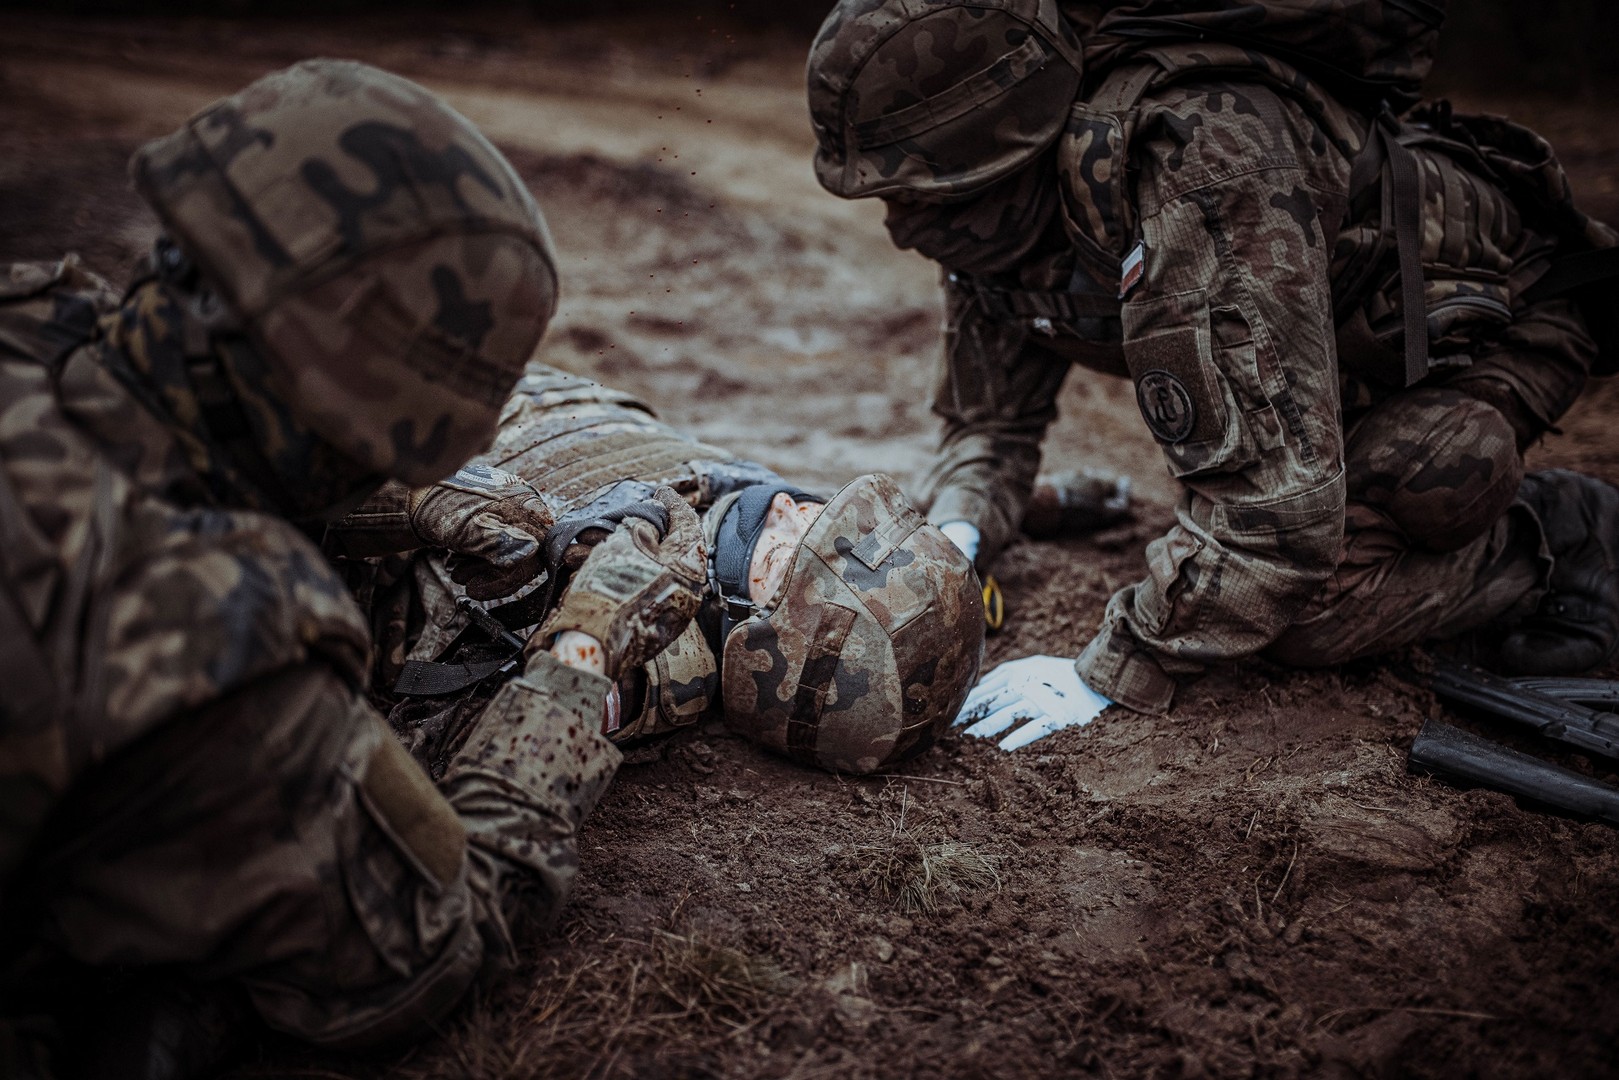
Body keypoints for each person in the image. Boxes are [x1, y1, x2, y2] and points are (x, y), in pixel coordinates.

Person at [0, 60, 707, 1078]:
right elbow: (424, 955)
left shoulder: (30, 321)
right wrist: (580, 656)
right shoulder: (221, 655)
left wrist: (392, 509)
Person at [806, 0, 1619, 747]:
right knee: (1267, 541)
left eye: (924, 201)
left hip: (1494, 333)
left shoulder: (1200, 157)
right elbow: (989, 424)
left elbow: (1278, 523)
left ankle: (1555, 535)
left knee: (1315, 603)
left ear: (1005, 152)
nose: (904, 233)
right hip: (1332, 360)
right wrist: (961, 533)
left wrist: (1115, 667)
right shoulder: (998, 218)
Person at [327, 362, 989, 778]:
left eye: (789, 554)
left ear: (753, 649)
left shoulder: (661, 656)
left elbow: (510, 732)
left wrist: (416, 505)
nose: (788, 507)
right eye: (818, 513)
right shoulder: (753, 520)